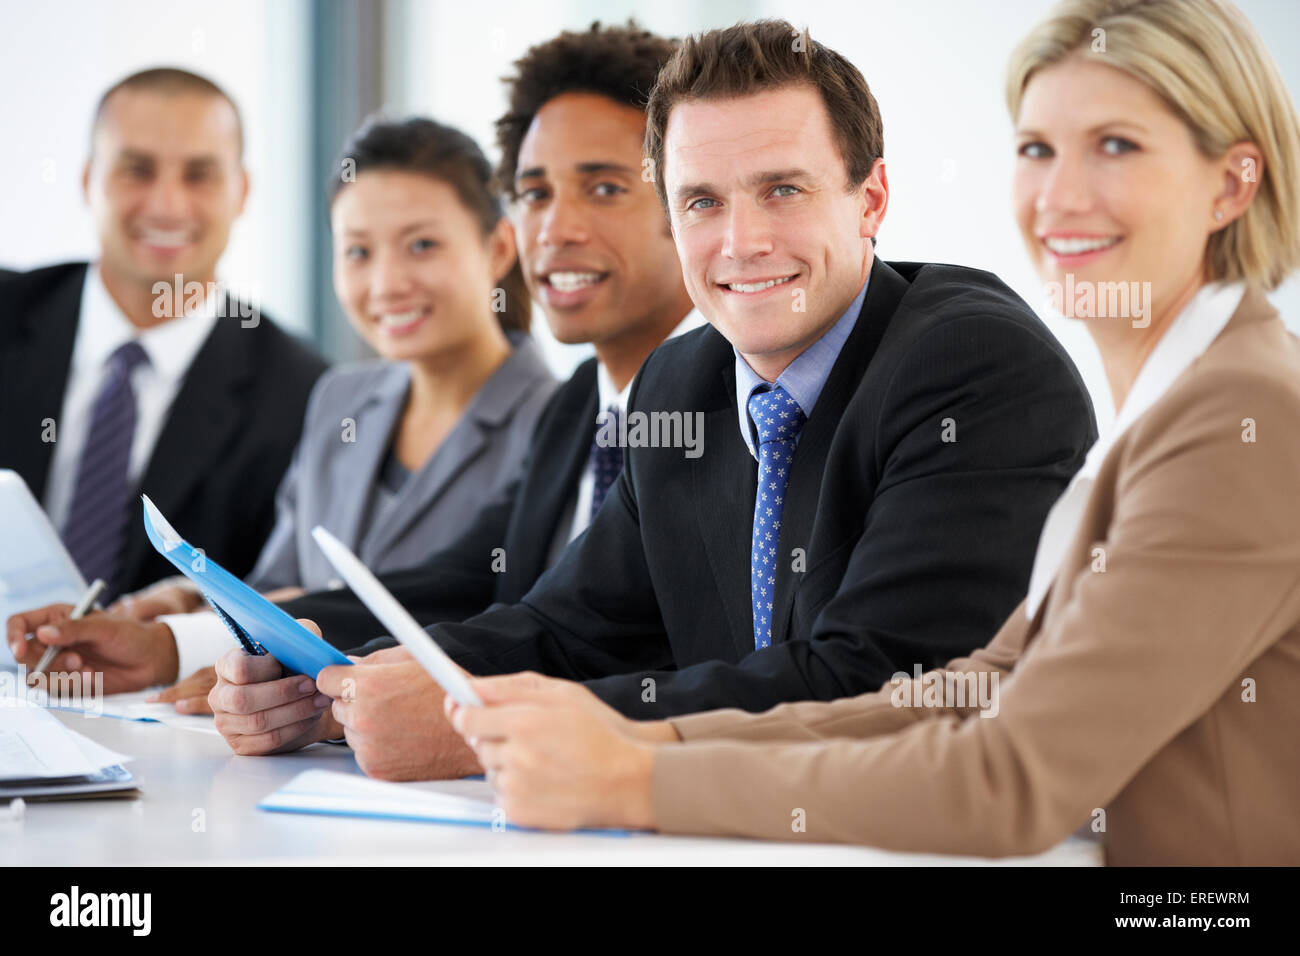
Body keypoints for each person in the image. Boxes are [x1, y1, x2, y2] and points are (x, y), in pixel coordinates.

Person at [447, 0, 1300, 866]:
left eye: (1117, 146)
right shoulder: (1175, 407)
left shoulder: (1243, 418)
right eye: (1038, 149)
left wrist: (638, 782)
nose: (1061, 196)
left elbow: (1006, 778)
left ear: (1232, 185)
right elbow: (969, 691)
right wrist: (647, 747)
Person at [210, 19, 1097, 778]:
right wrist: (337, 685)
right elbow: (568, 629)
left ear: (871, 199)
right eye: (702, 202)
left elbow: (876, 687)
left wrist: (472, 726)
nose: (741, 242)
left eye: (782, 189)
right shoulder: (682, 385)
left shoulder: (971, 364)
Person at [7, 116, 556, 695]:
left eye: (422, 245)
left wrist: (181, 638)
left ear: (498, 248)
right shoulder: (341, 397)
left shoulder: (557, 421)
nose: (387, 283)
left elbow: (481, 613)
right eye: (358, 251)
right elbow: (282, 581)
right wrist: (185, 601)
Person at [0, 67, 326, 605]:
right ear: (88, 181)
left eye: (199, 175)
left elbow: (279, 601)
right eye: (137, 170)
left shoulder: (302, 395)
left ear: (241, 192)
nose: (167, 205)